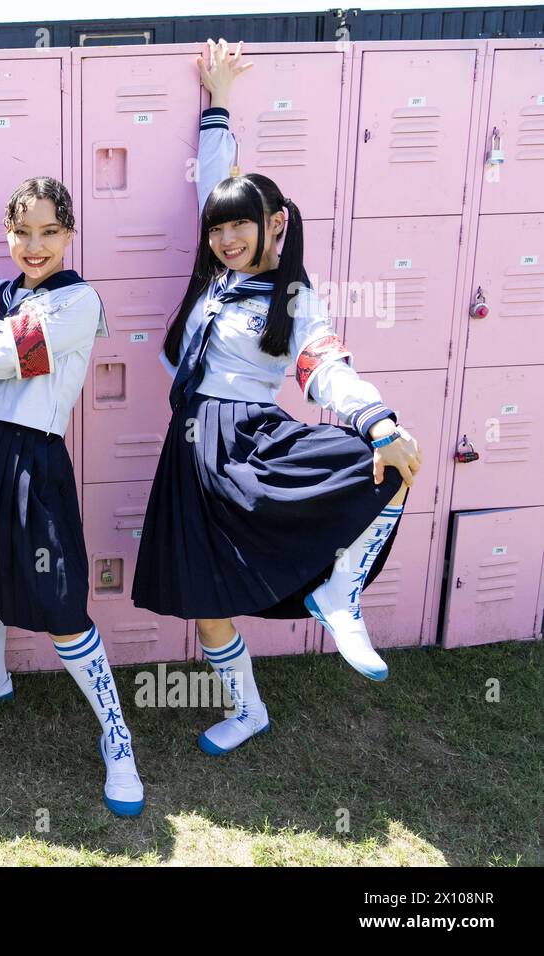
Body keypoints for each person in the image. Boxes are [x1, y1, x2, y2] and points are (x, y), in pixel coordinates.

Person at [132, 40, 423, 757]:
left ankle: (340, 591)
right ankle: (248, 710)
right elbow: (212, 181)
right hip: (190, 442)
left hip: (246, 438)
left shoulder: (291, 295)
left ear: (276, 225)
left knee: (386, 463)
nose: (227, 236)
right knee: (204, 599)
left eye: (242, 224)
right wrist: (220, 100)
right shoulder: (216, 271)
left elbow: (324, 364)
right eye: (219, 226)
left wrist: (377, 419)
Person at [0, 177, 144, 817]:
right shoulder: (5, 288)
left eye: (48, 232)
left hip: (32, 453)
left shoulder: (80, 302)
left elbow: (4, 359)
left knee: (63, 603)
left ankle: (117, 739)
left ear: (69, 234)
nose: (34, 245)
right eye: (21, 233)